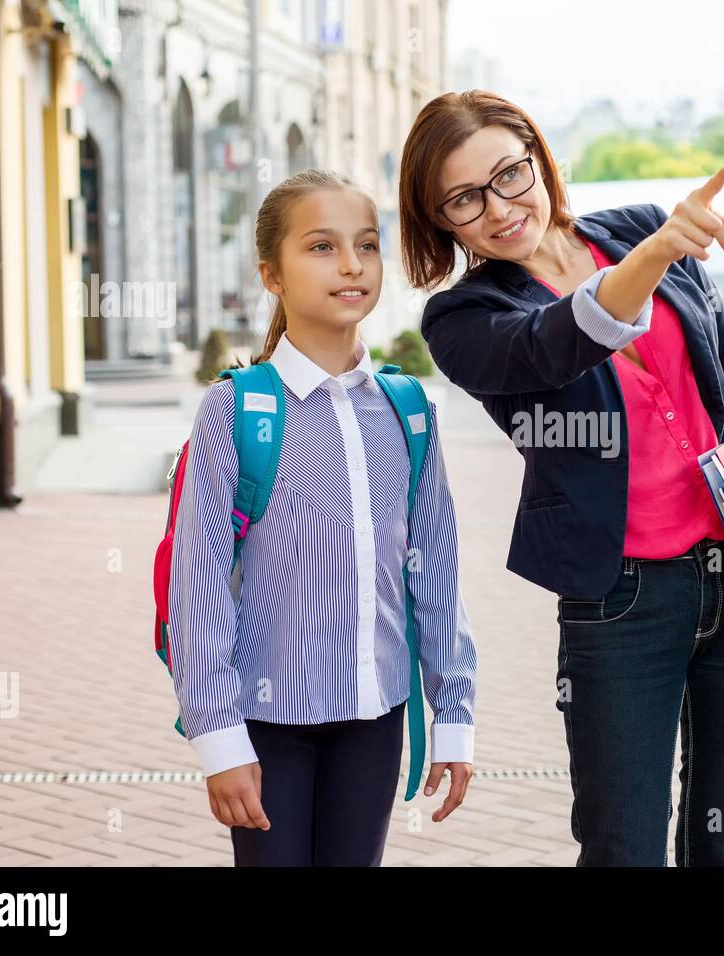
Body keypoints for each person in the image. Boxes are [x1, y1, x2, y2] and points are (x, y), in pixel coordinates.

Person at [397, 91, 724, 866]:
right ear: (440, 219)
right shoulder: (462, 320)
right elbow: (558, 342)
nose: (500, 208)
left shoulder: (641, 227)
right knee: (622, 847)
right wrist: (658, 255)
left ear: (540, 158)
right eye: (465, 199)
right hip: (623, 599)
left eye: (511, 174)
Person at [168, 168, 477, 866]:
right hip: (267, 719)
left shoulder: (408, 411)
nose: (350, 265)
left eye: (366, 246)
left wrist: (453, 715)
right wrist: (218, 738)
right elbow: (200, 587)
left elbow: (438, 575)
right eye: (320, 247)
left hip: (377, 717)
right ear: (270, 274)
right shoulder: (237, 409)